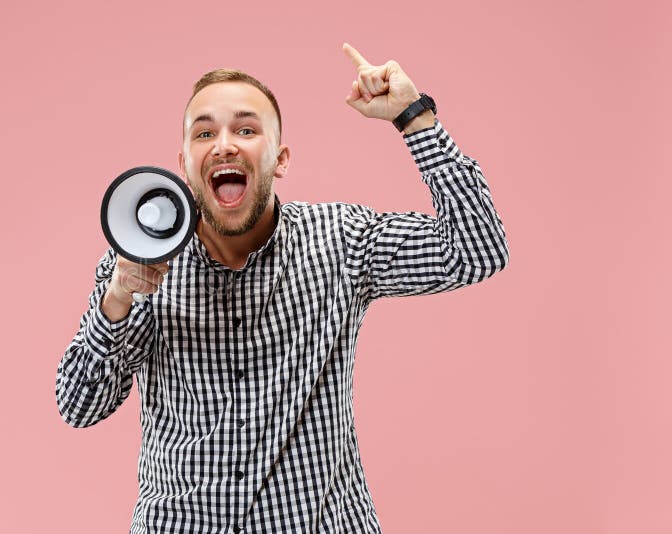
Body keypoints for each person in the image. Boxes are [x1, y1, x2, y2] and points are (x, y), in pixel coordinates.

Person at [56, 43, 509, 534]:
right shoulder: (137, 261)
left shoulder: (341, 241)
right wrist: (117, 300)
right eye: (205, 132)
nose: (225, 145)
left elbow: (478, 250)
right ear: (184, 164)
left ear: (281, 159)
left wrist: (413, 117)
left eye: (246, 130)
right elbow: (80, 405)